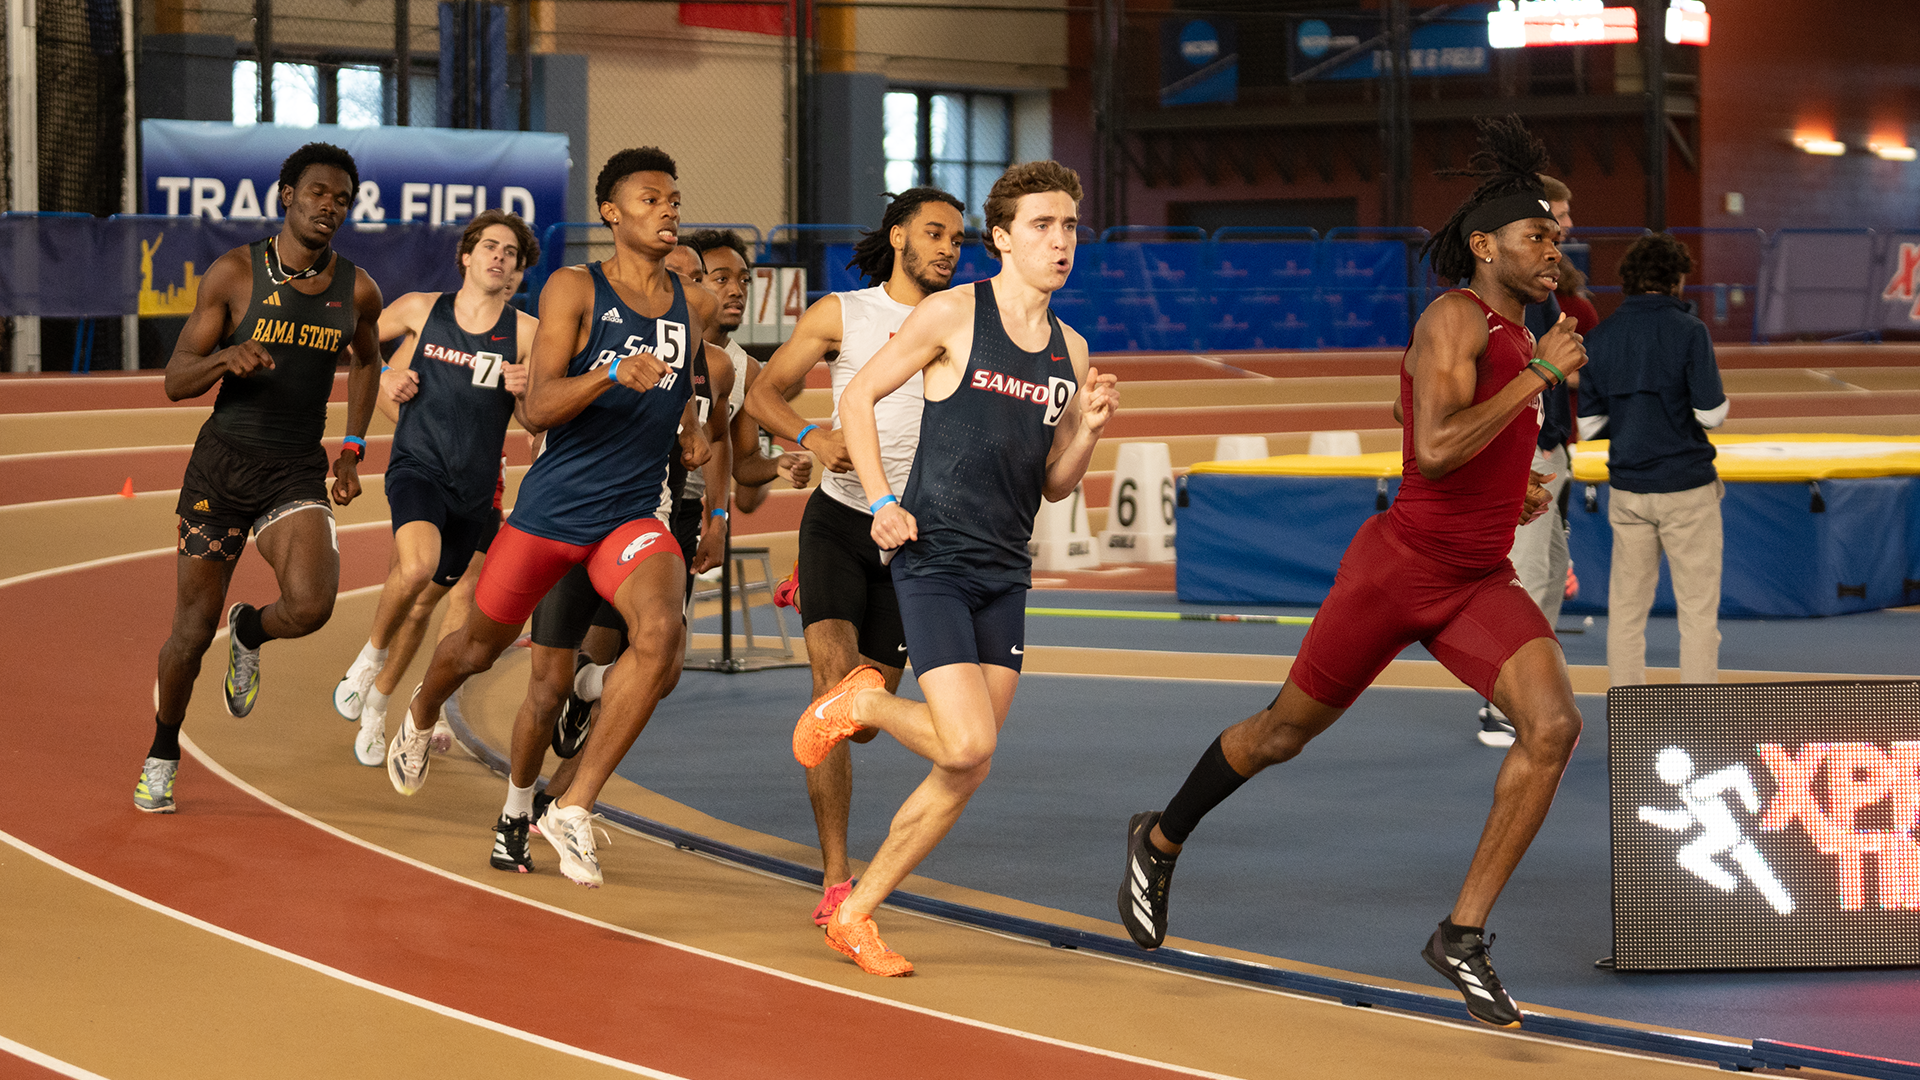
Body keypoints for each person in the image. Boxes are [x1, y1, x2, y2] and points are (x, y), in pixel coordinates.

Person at [1117, 116, 1588, 1028]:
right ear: (1486, 246)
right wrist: (1537, 378)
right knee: (1281, 734)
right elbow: (1436, 447)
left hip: (1477, 579)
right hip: (1399, 572)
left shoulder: (1517, 329)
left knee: (1555, 725)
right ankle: (1162, 836)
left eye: (1557, 238)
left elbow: (1445, 438)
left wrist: (1513, 487)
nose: (1553, 252)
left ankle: (1462, 934)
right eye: (1537, 236)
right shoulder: (1455, 317)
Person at [790, 162, 1119, 976]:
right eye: (1042, 226)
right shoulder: (953, 313)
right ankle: (861, 699)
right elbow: (858, 398)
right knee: (967, 741)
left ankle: (856, 915)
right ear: (1002, 238)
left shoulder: (1072, 350)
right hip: (935, 560)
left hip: (1006, 572)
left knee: (968, 762)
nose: (1060, 241)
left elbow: (1053, 484)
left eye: (1069, 226)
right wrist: (879, 500)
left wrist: (1087, 432)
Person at [386, 147, 714, 894]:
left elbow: (688, 386)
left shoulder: (688, 305)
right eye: (651, 199)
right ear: (613, 213)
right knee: (476, 648)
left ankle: (571, 807)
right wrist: (611, 372)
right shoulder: (576, 287)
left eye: (673, 198)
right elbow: (535, 408)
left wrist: (692, 429)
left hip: (631, 513)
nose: (668, 209)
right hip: (553, 513)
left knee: (661, 639)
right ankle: (420, 710)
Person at [136, 142, 383, 814]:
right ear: (287, 196)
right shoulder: (235, 274)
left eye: (342, 199)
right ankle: (163, 750)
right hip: (221, 469)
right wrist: (225, 359)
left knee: (311, 605)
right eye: (318, 193)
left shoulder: (357, 289)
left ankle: (250, 632)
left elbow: (368, 361)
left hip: (294, 470)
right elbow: (174, 381)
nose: (330, 207)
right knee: (191, 634)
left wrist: (353, 447)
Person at [744, 188, 964, 924]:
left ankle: (806, 599)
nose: (947, 249)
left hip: (911, 538)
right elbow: (763, 393)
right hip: (839, 522)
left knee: (861, 720)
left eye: (957, 239)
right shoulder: (843, 313)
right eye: (934, 233)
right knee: (829, 689)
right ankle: (836, 874)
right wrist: (813, 437)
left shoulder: (963, 320)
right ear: (898, 236)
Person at [332, 210, 541, 767]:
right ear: (466, 256)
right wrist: (383, 375)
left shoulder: (527, 334)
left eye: (511, 253)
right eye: (490, 246)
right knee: (416, 570)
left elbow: (538, 420)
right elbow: (355, 341)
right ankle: (369, 664)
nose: (499, 257)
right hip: (418, 468)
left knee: (426, 600)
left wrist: (526, 393)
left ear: (518, 271)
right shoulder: (420, 309)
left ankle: (381, 703)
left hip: (478, 489)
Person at [1473, 174, 1598, 748]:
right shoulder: (1488, 307)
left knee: (1546, 572)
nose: (1563, 232)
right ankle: (1503, 703)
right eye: (1551, 223)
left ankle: (1529, 693)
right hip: (1528, 454)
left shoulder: (1539, 295)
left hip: (1549, 446)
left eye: (1561, 224)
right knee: (1523, 577)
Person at [1576, 231, 1727, 687]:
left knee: (1626, 613)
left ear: (1629, 278)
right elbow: (1711, 414)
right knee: (1697, 614)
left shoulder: (1600, 337)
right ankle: (1701, 717)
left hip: (1628, 490)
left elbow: (1589, 426)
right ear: (1677, 279)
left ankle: (1628, 713)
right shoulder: (1690, 331)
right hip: (1687, 488)